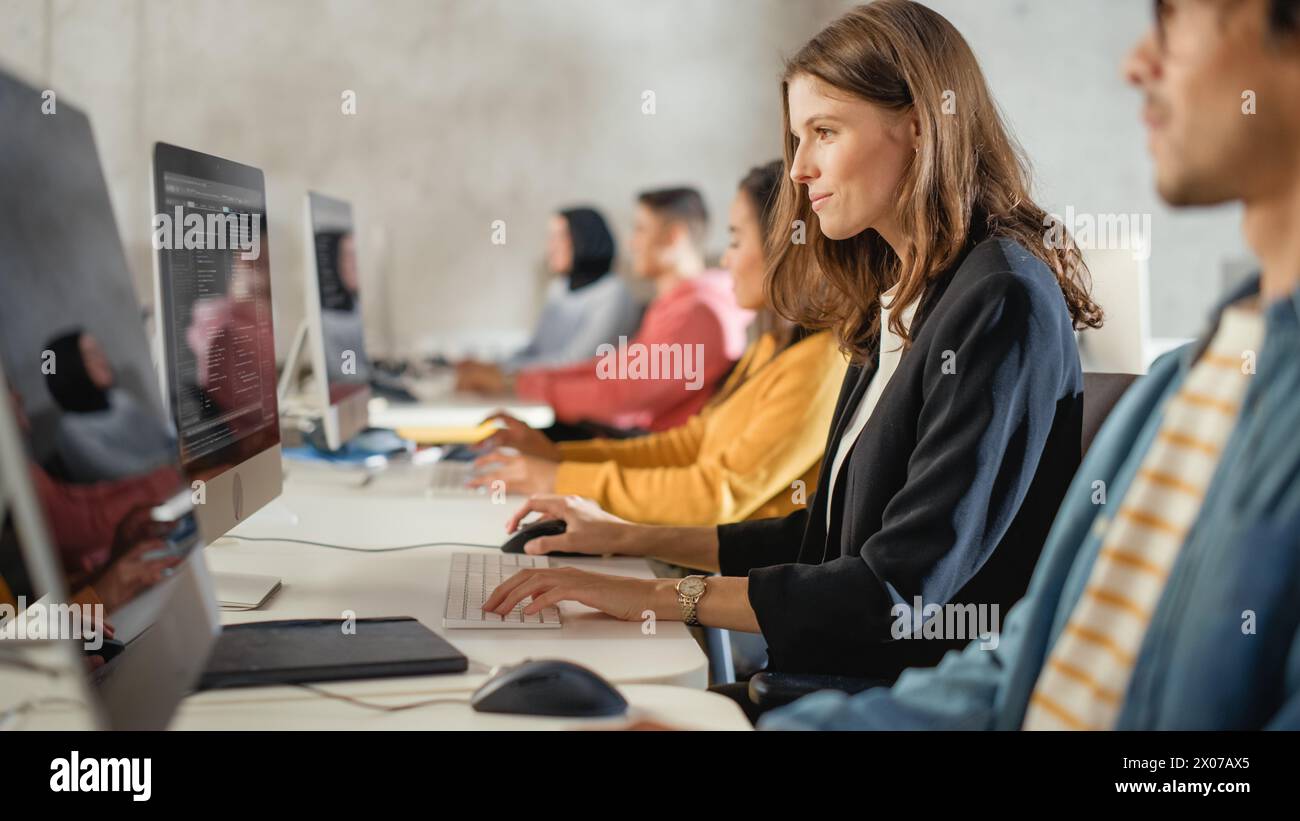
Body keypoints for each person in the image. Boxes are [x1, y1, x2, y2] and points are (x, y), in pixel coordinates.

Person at [481, 0, 1101, 704]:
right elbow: (826, 535)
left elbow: (891, 591)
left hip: (895, 698)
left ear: (921, 126)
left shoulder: (1000, 300)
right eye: (796, 136)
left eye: (825, 132)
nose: (800, 168)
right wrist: (624, 539)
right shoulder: (898, 291)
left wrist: (662, 598)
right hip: (835, 671)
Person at [761, 0, 1300, 731]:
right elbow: (1028, 662)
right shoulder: (1191, 378)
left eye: (1172, 20)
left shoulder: (1003, 293)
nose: (1134, 63)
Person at [467, 161, 848, 526]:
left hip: (707, 543)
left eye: (735, 240)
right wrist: (558, 458)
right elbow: (690, 442)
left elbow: (714, 489)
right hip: (671, 503)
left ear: (785, 243)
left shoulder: (792, 354)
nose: (726, 259)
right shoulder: (769, 345)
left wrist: (560, 474)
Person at [460, 188, 753, 437]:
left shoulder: (698, 314)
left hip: (648, 450)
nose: (631, 243)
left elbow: (624, 396)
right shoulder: (678, 305)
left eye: (640, 229)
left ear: (673, 236)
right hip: (638, 440)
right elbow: (610, 368)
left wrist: (518, 383)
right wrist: (517, 379)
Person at [455, 207, 642, 380]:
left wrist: (502, 371)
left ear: (585, 239)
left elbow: (576, 364)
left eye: (560, 238)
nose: (550, 248)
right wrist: (493, 363)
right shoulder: (558, 289)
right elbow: (536, 350)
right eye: (550, 238)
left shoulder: (613, 294)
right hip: (543, 392)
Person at [42, 330, 176, 484]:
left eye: (100, 350)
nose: (103, 360)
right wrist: (175, 458)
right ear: (70, 366)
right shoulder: (72, 429)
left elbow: (164, 440)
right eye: (91, 355)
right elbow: (123, 476)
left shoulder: (119, 399)